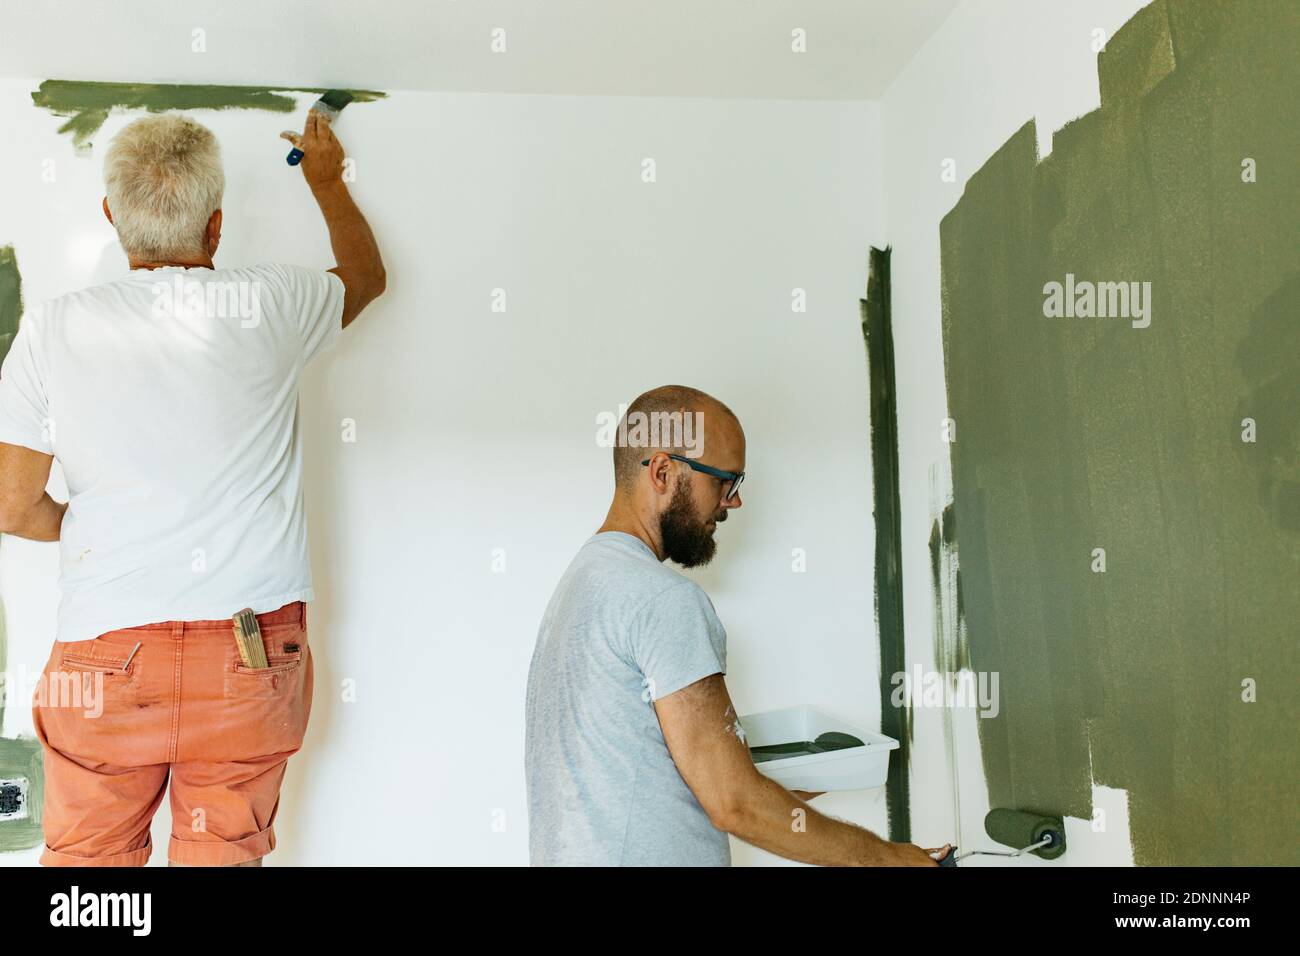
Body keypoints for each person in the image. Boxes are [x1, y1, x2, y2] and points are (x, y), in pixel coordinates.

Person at [0, 109, 384, 866]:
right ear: (215, 228)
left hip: (106, 664)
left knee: (89, 876)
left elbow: (11, 505)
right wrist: (326, 179)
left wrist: (97, 522)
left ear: (113, 218)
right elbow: (366, 278)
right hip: (248, 659)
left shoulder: (53, 329)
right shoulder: (271, 303)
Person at [525, 384, 949, 865]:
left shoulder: (581, 584)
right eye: (724, 481)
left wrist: (772, 789)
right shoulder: (663, 600)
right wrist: (889, 859)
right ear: (663, 471)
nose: (733, 502)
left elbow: (658, 770)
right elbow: (734, 804)